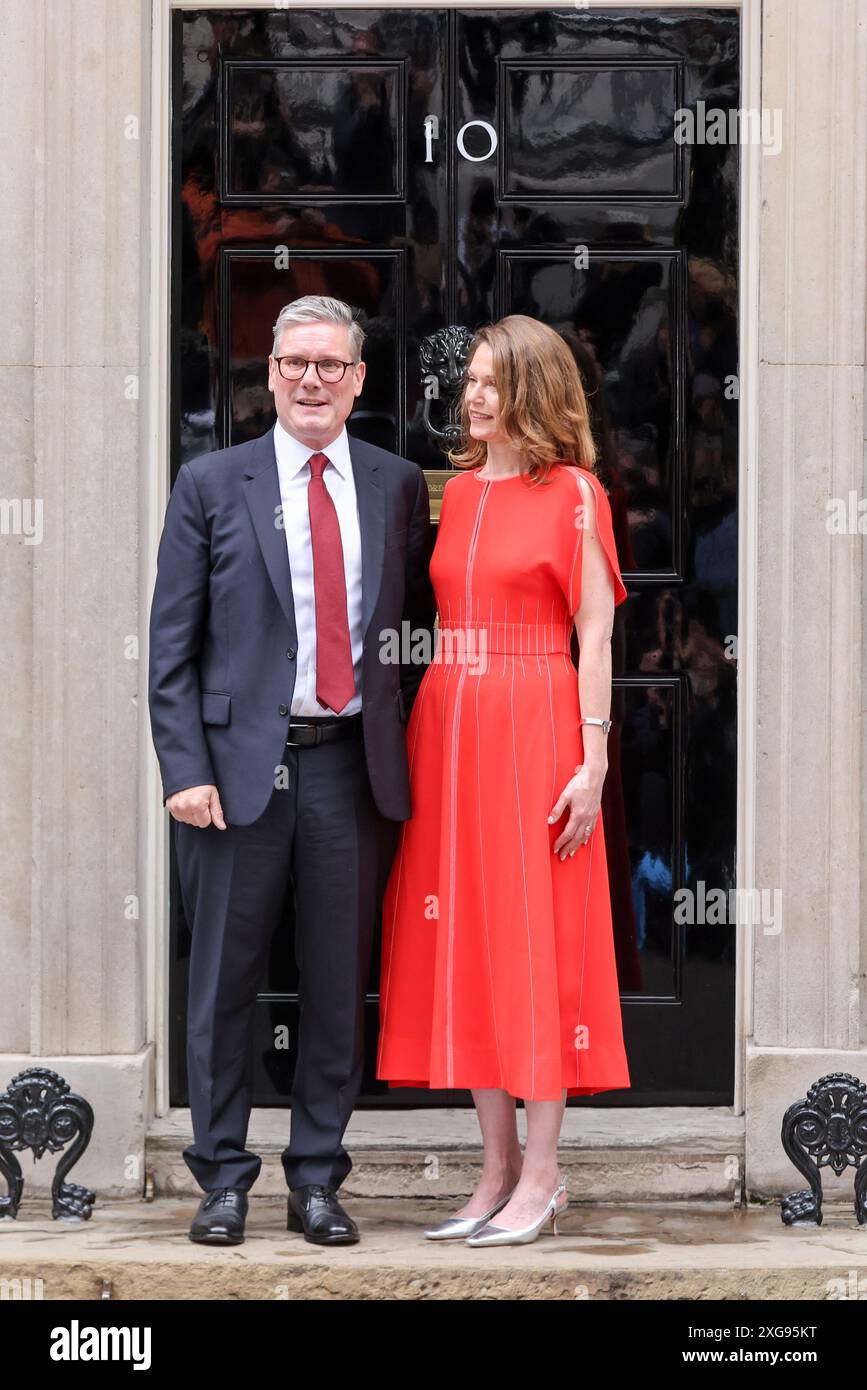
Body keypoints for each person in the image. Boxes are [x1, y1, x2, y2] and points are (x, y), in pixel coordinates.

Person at [148, 295, 435, 1246]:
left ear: (358, 379)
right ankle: (222, 1178)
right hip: (233, 778)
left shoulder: (397, 486)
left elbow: (416, 632)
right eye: (295, 364)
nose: (312, 380)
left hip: (349, 770)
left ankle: (317, 1177)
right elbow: (171, 649)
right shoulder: (211, 481)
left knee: (334, 983)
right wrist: (184, 767)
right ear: (269, 374)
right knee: (222, 984)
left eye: (332, 365)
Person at [376, 314, 631, 1246]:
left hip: (538, 719)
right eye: (470, 381)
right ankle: (492, 1170)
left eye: (490, 381)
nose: (471, 395)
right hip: (447, 722)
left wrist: (592, 761)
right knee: (469, 939)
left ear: (535, 390)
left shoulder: (574, 493)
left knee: (537, 939)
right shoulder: (455, 493)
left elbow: (596, 632)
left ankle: (545, 1171)